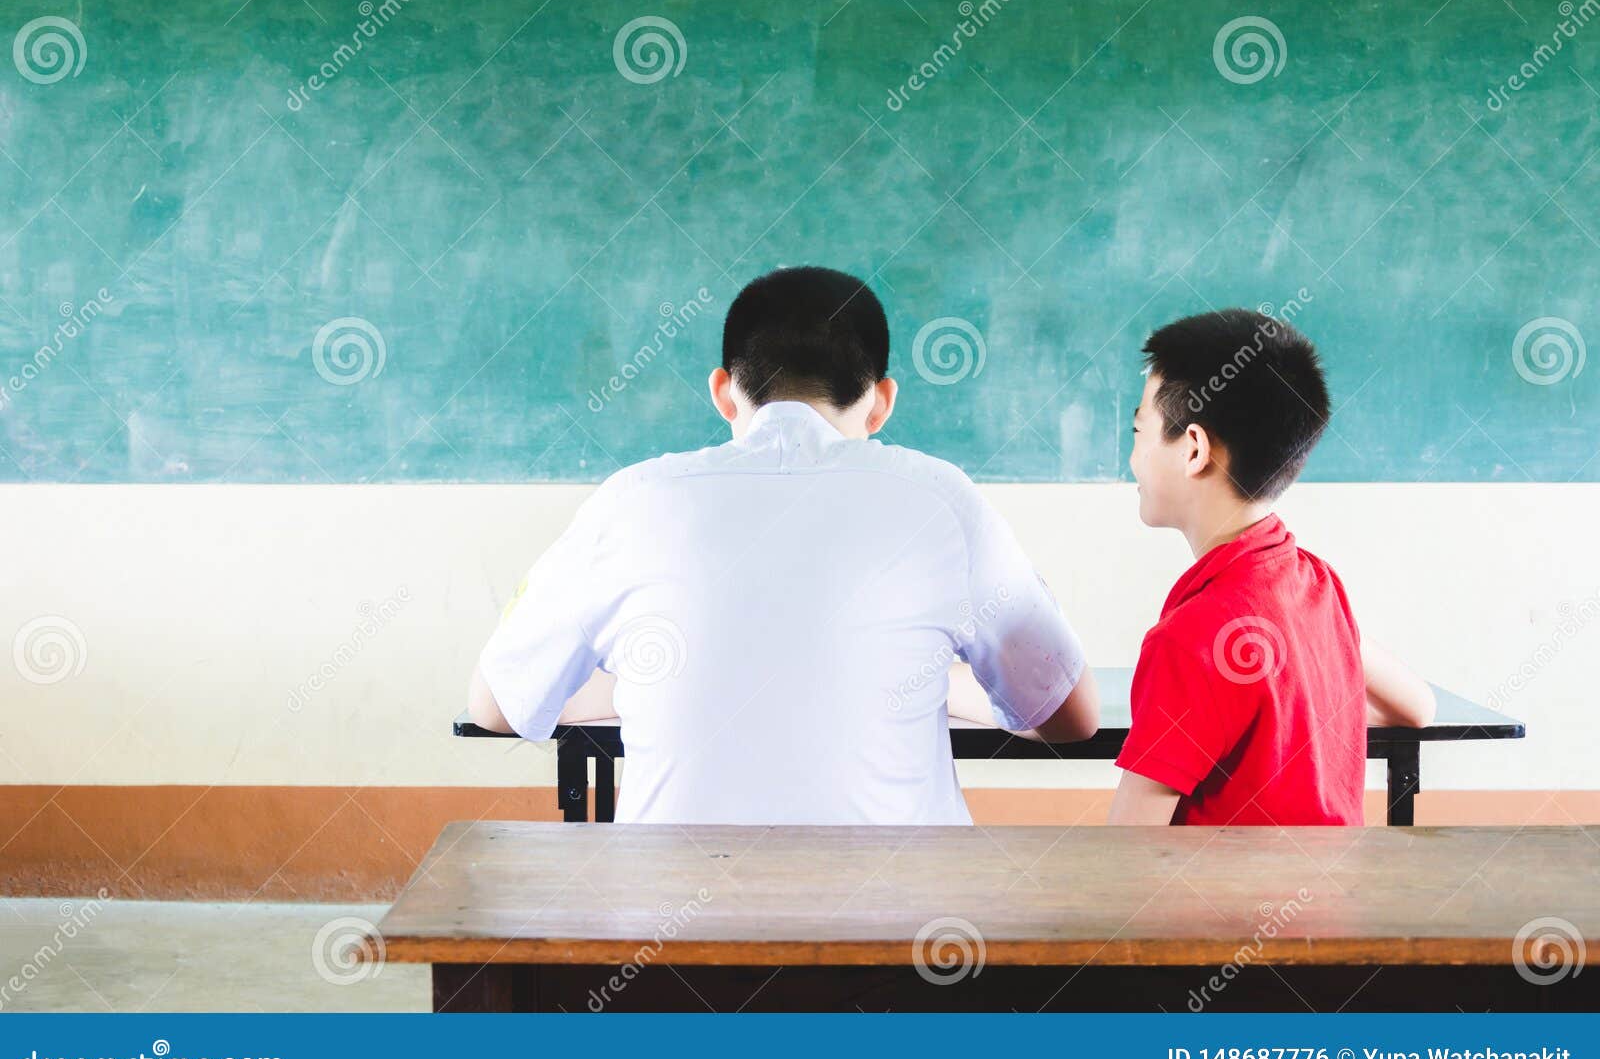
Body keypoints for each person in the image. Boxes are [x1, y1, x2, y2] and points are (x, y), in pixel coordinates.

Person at [469, 266, 1098, 824]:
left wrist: (634, 681)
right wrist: (947, 684)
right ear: (882, 401)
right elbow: (1073, 718)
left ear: (722, 392)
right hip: (904, 936)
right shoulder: (941, 499)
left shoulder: (633, 499)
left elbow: (495, 706)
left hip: (670, 942)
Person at [1110, 309, 1434, 827]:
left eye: (1137, 431)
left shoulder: (1190, 639)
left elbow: (1126, 856)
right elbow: (1418, 707)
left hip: (1225, 908)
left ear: (1193, 449)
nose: (1131, 458)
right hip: (1333, 901)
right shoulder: (1316, 584)